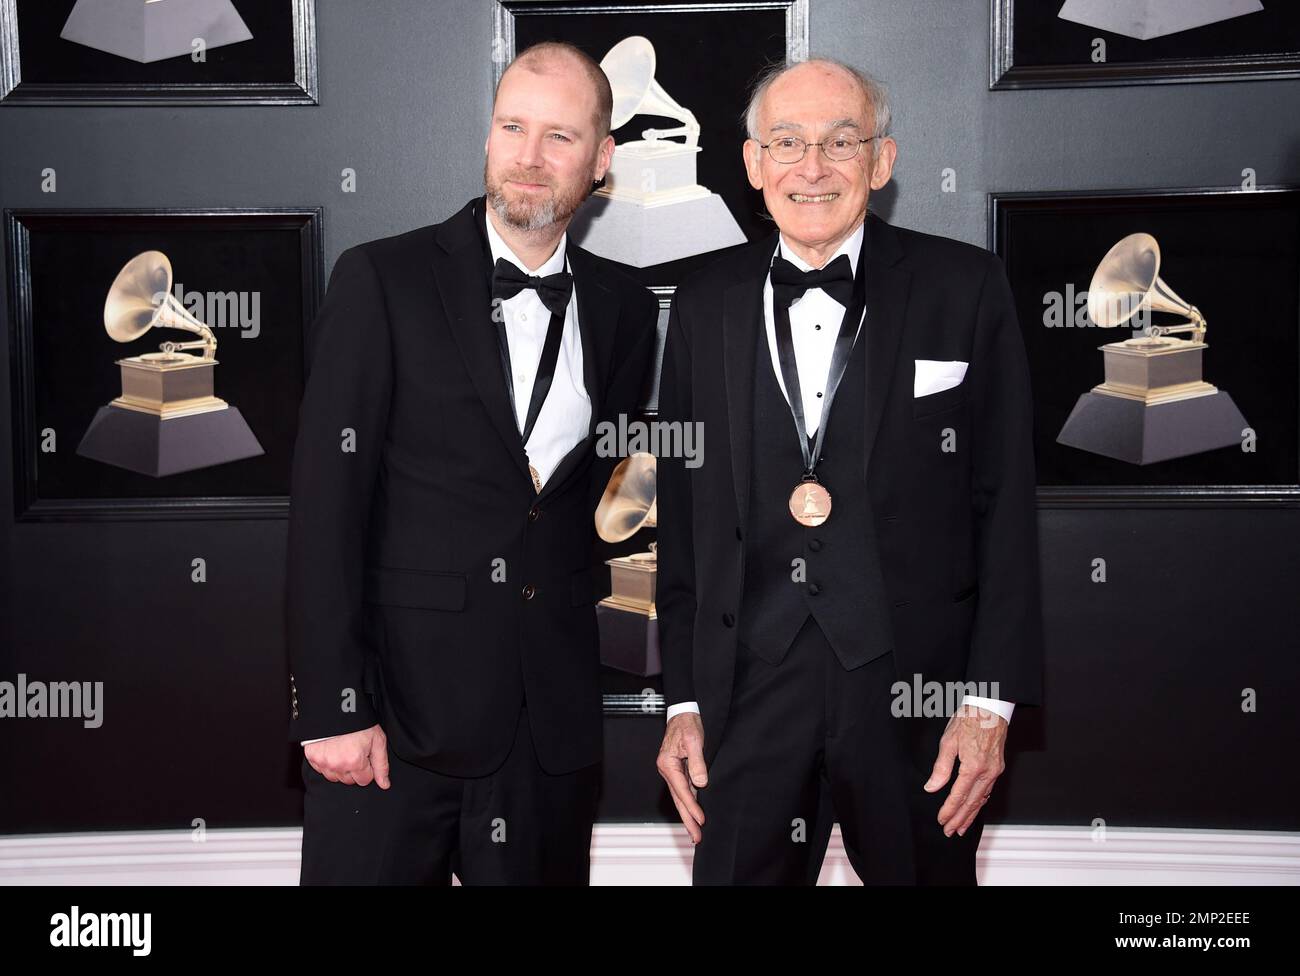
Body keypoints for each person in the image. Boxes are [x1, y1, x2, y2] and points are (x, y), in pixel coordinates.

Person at [654, 58, 1044, 884]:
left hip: (917, 698)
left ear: (883, 160)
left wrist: (988, 700)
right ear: (754, 163)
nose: (813, 167)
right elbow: (683, 524)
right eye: (787, 142)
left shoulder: (964, 288)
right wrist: (683, 699)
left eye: (841, 141)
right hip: (747, 694)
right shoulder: (701, 302)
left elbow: (1005, 506)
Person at [287, 40, 658, 885]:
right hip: (390, 725)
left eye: (559, 136)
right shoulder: (382, 278)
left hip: (547, 730)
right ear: (487, 138)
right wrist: (335, 706)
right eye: (511, 127)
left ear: (601, 160)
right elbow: (325, 508)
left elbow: (602, 503)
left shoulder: (626, 308)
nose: (529, 157)